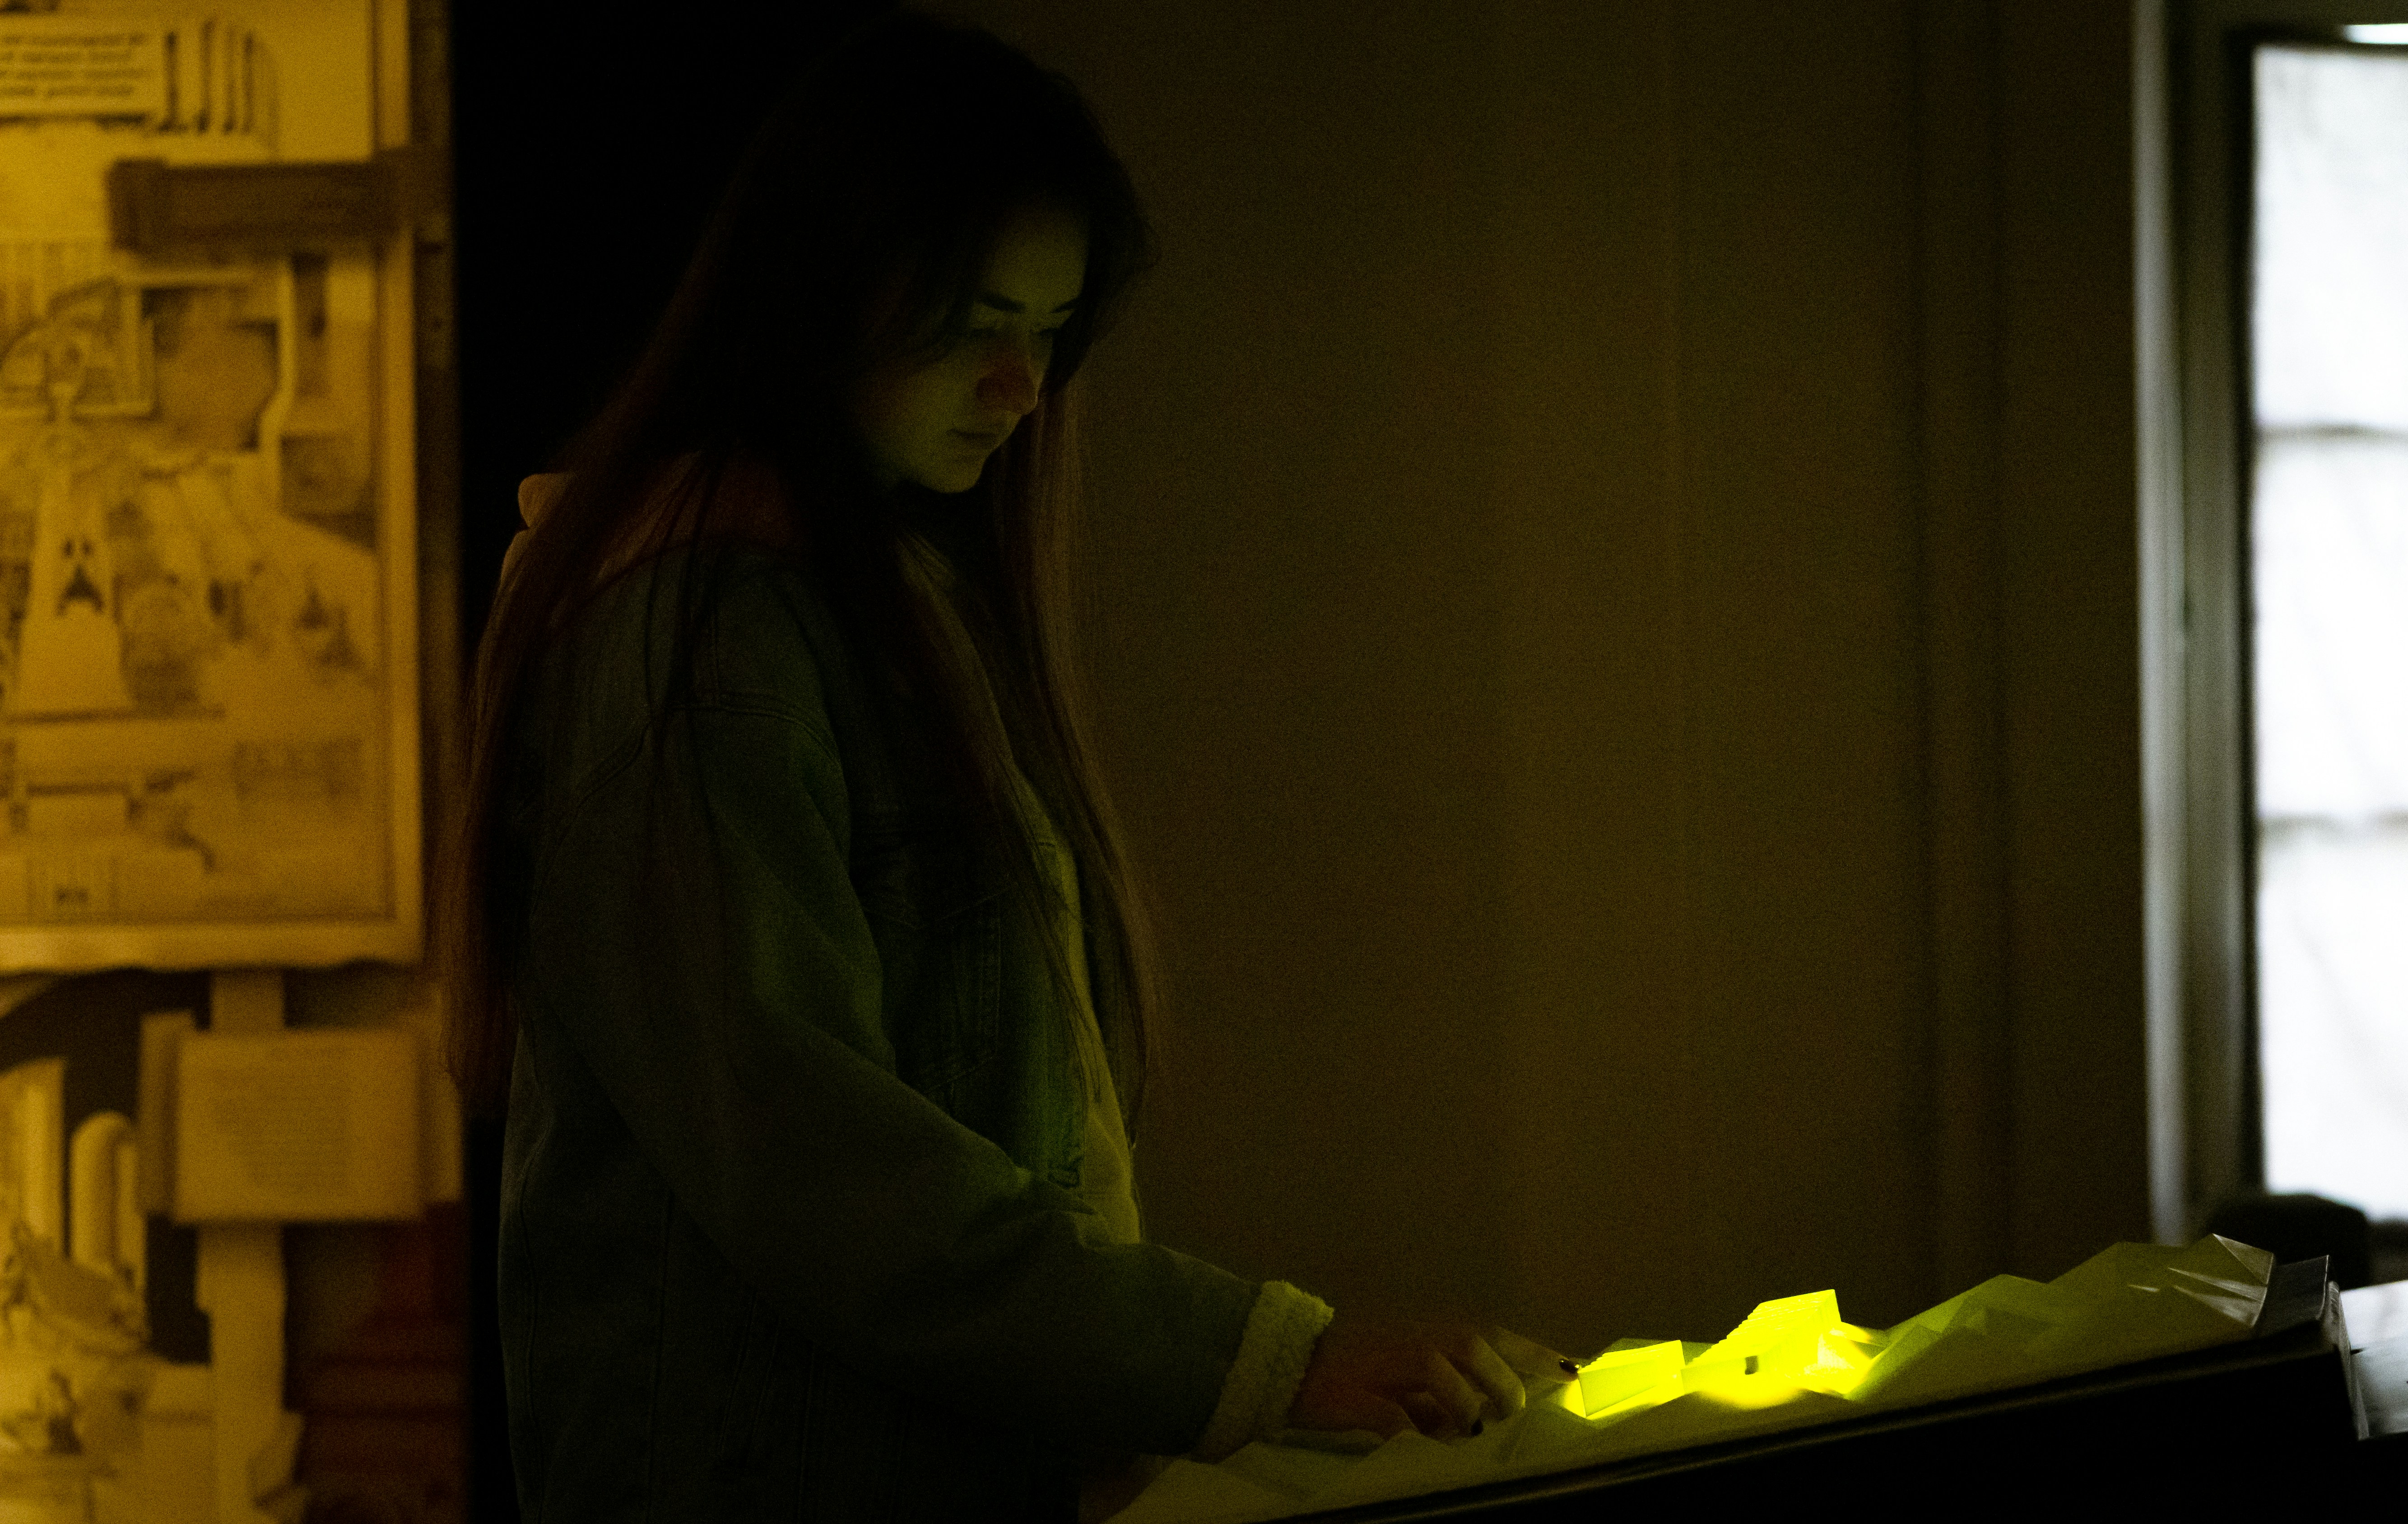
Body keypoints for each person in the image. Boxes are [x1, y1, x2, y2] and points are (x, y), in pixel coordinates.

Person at [433, 8, 1576, 1520]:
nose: (1020, 389)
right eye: (976, 323)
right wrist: (1261, 1361)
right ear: (830, 293)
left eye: (1047, 335)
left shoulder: (855, 600)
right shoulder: (700, 634)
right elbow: (815, 1157)